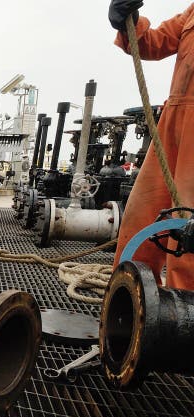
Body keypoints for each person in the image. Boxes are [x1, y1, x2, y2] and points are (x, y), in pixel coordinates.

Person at [110, 0, 194, 288]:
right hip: (173, 125)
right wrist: (127, 19)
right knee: (141, 218)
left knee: (187, 232)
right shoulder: (193, 12)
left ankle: (180, 321)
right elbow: (152, 43)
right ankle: (128, 302)